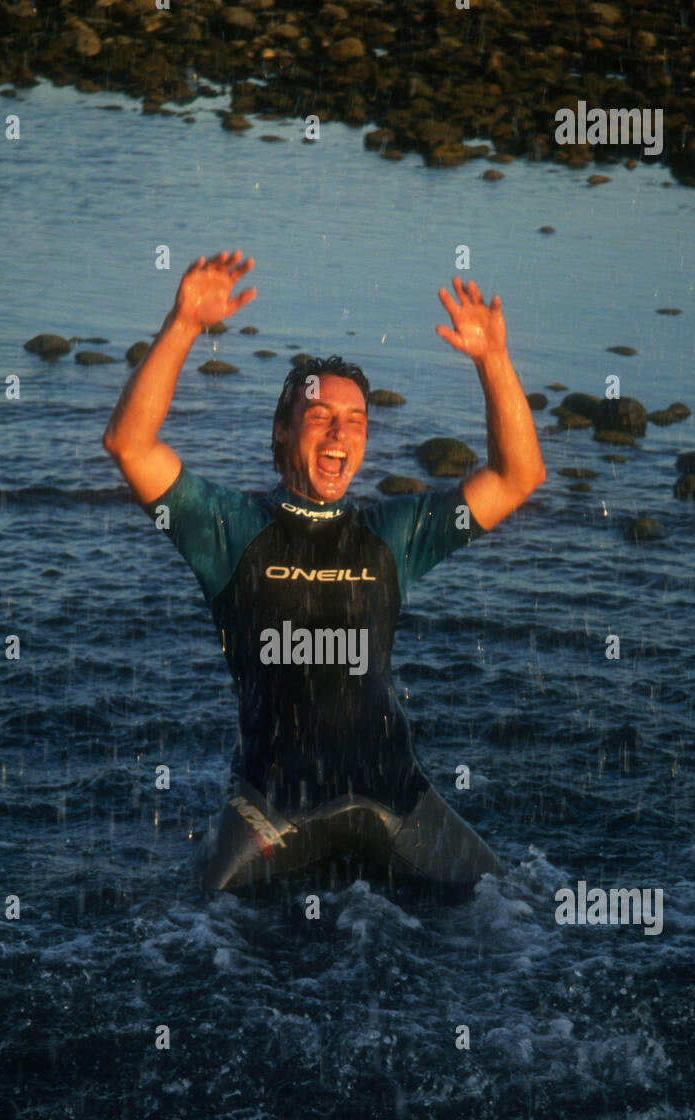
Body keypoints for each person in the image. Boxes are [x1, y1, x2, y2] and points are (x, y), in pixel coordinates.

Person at [102, 250, 545, 892]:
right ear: (282, 433)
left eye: (356, 421)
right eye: (320, 418)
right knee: (197, 921)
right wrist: (183, 324)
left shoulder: (391, 536)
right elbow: (129, 444)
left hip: (393, 798)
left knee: (511, 910)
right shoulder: (229, 531)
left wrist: (493, 361)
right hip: (272, 808)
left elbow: (517, 476)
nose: (341, 434)